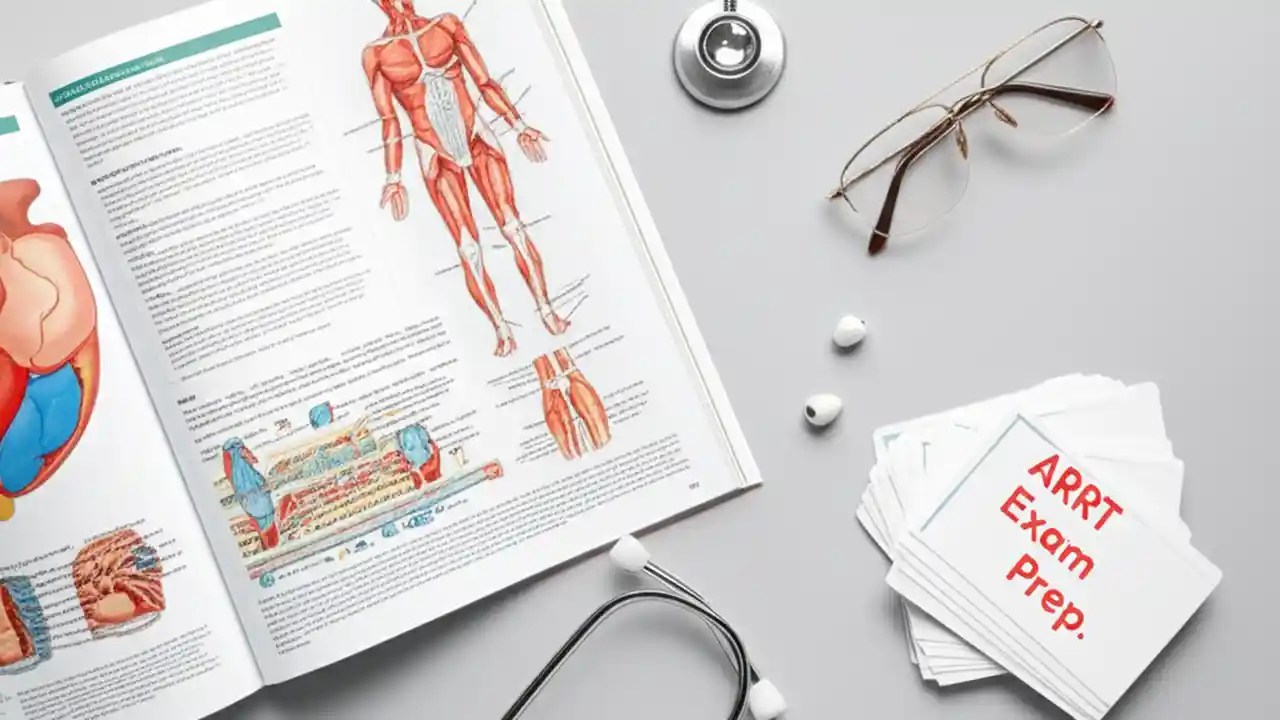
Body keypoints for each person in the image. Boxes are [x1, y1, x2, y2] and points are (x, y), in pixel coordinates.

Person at [363, 0, 570, 357]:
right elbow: (390, 121)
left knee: (513, 227)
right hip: (434, 153)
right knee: (468, 247)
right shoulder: (377, 54)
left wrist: (517, 124)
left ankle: (546, 310)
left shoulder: (445, 25)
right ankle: (501, 329)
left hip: (477, 136)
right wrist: (393, 176)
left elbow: (484, 81)